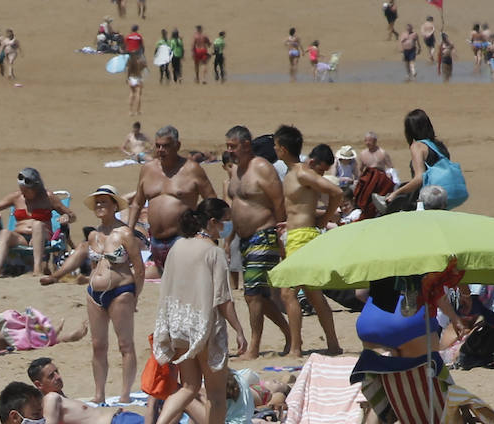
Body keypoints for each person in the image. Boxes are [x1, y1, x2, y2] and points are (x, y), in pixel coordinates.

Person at [141, 198, 247, 424]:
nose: (226, 226)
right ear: (212, 222)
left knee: (188, 386)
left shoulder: (178, 246)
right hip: (206, 328)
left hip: (178, 324)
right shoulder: (213, 251)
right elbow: (223, 298)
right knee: (215, 395)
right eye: (224, 221)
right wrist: (239, 330)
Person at [41, 185, 141, 402]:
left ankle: (125, 394)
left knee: (125, 344)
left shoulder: (124, 233)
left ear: (115, 205)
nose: (99, 205)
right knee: (98, 345)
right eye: (97, 202)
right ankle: (99, 394)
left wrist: (135, 296)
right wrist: (55, 276)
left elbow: (139, 268)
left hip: (121, 291)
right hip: (94, 294)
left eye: (104, 201)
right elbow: (82, 258)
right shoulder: (93, 235)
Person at [225, 125, 289, 359]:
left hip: (264, 234)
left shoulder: (262, 168)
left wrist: (280, 232)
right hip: (243, 239)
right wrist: (229, 238)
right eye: (228, 147)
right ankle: (289, 333)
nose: (230, 151)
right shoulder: (234, 172)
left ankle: (253, 347)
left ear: (246, 145)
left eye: (233, 146)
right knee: (259, 295)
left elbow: (278, 201)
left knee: (251, 294)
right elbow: (235, 207)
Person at [277, 129, 343, 356]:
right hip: (298, 236)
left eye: (276, 146)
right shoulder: (293, 173)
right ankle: (333, 345)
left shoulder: (301, 173)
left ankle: (296, 348)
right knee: (314, 294)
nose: (275, 150)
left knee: (288, 293)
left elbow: (336, 192)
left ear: (283, 149)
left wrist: (324, 219)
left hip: (303, 237)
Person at [125, 124, 218, 280]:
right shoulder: (147, 169)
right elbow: (137, 203)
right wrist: (129, 230)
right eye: (158, 145)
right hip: (155, 241)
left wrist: (207, 234)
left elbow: (212, 202)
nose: (161, 150)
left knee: (184, 283)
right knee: (167, 286)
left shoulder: (192, 169)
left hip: (183, 238)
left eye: (166, 146)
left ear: (178, 146)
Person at [27, 356, 146, 424]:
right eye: (51, 376)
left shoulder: (60, 397)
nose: (58, 377)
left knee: (161, 423)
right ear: (39, 385)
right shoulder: (51, 399)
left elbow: (78, 423)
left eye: (57, 372)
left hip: (121, 422)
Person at [0, 167, 74, 279]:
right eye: (22, 189)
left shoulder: (48, 197)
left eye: (26, 191)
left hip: (42, 235)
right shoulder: (17, 197)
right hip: (21, 237)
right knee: (4, 233)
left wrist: (66, 216)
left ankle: (37, 269)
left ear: (36, 188)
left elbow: (72, 215)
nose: (23, 193)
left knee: (37, 224)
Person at [381, 108, 451, 215]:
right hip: (442, 198)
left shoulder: (418, 147)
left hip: (425, 200)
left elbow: (419, 178)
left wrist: (396, 193)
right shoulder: (440, 147)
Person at [124, 50, 146, 116]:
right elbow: (144, 66)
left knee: (132, 94)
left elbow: (128, 70)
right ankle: (137, 111)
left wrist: (127, 78)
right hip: (138, 78)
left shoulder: (130, 61)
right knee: (138, 95)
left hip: (132, 78)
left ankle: (130, 111)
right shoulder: (140, 61)